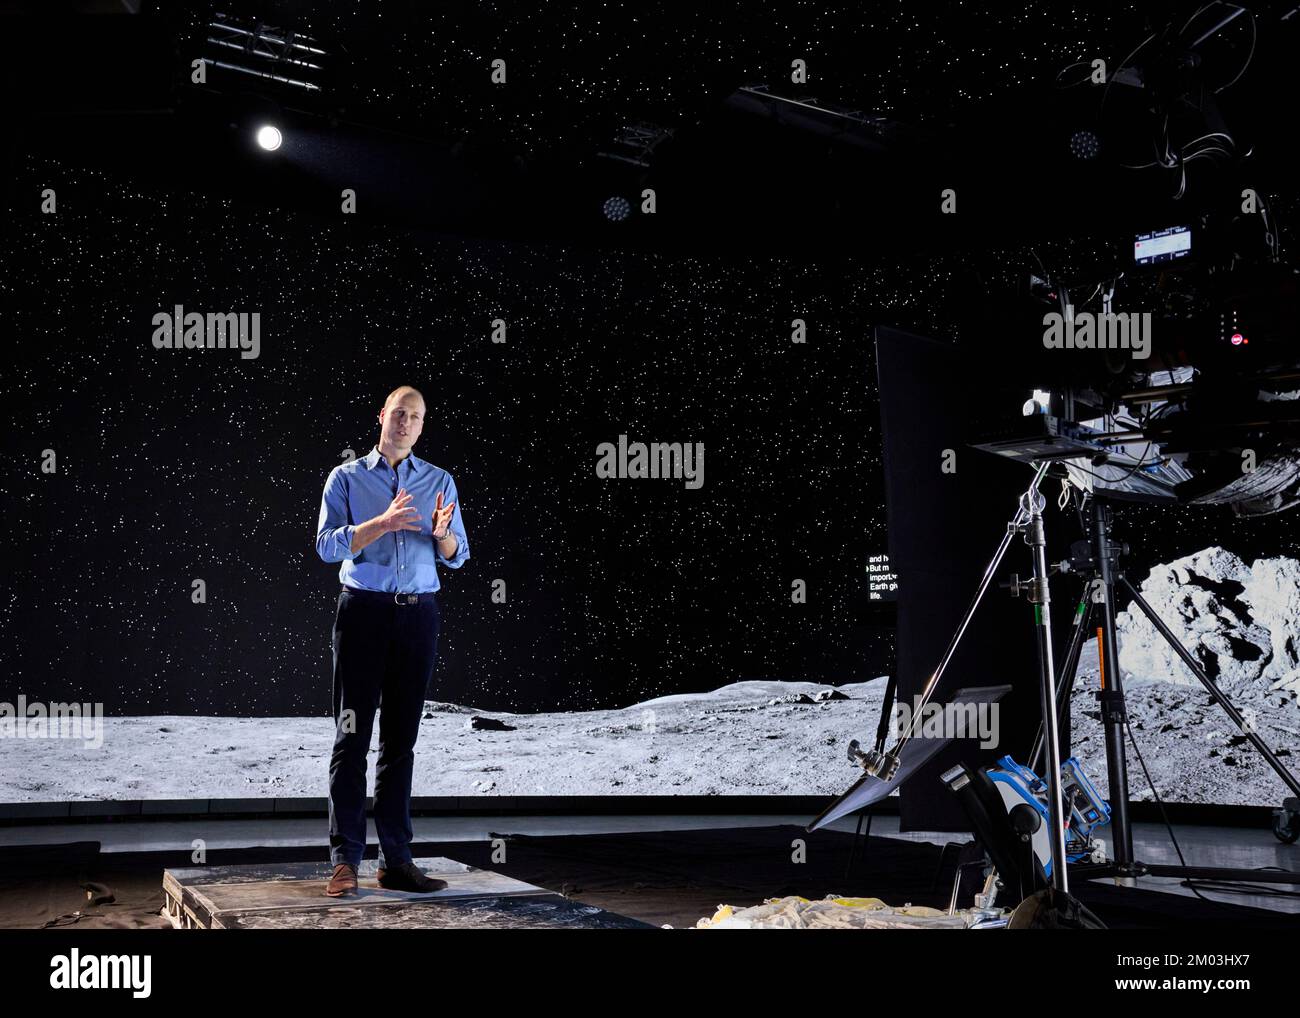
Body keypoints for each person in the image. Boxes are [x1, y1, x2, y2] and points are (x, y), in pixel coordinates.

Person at [314, 385, 470, 897]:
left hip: (418, 616)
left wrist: (442, 534)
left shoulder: (439, 481)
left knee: (400, 744)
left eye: (416, 417)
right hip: (363, 613)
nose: (406, 422)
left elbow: (458, 554)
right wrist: (379, 524)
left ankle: (396, 861)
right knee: (351, 738)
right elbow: (326, 545)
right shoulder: (345, 477)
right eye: (399, 413)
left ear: (422, 426)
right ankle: (345, 862)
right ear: (382, 416)